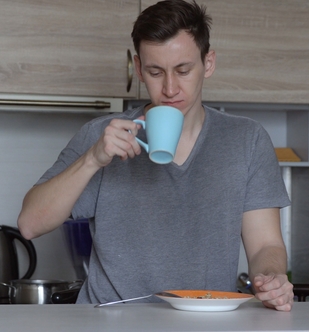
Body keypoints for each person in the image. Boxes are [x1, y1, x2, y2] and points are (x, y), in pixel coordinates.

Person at [17, 0, 294, 311]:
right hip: (111, 324)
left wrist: (271, 279)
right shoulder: (102, 136)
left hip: (207, 321)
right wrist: (93, 159)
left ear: (209, 63)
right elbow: (30, 224)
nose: (170, 88)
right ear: (138, 69)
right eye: (155, 72)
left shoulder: (247, 140)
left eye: (183, 70)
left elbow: (266, 245)